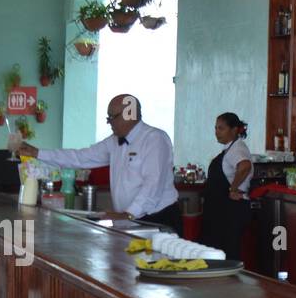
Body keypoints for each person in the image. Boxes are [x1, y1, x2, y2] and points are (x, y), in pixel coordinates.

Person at [19, 93, 181, 232]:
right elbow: (80, 157)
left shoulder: (154, 139)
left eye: (112, 117)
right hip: (130, 221)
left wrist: (128, 214)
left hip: (159, 219)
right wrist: (37, 152)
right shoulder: (113, 142)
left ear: (129, 115)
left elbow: (153, 184)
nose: (108, 122)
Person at [199, 113, 253, 260]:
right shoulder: (230, 148)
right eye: (216, 128)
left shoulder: (237, 148)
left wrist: (233, 188)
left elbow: (244, 166)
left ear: (235, 130)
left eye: (221, 128)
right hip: (222, 211)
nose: (217, 132)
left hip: (230, 211)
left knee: (228, 253)